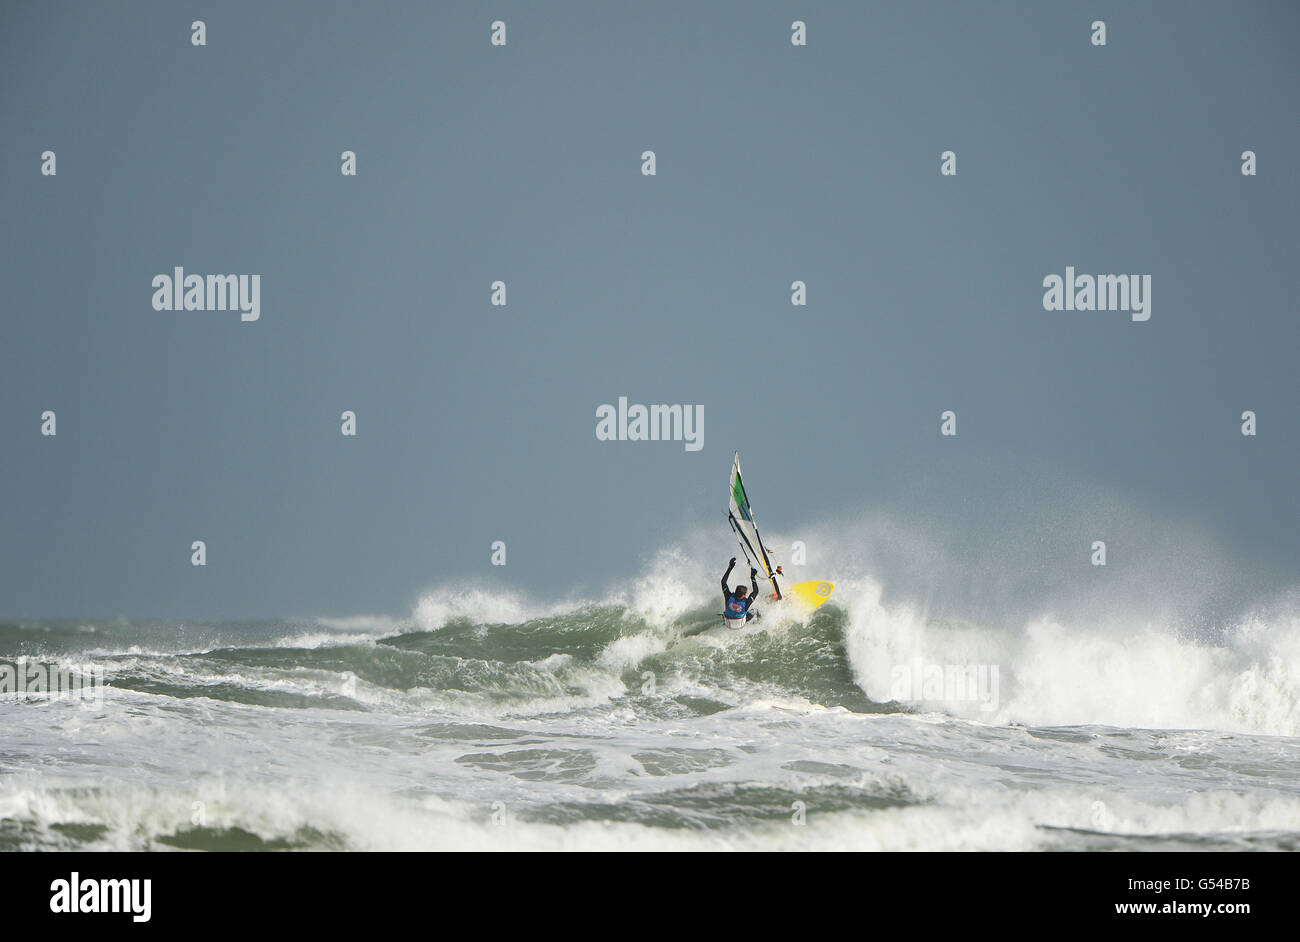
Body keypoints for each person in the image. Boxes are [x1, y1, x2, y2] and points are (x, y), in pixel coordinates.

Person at [722, 557, 760, 626]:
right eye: (746, 593)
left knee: (727, 612)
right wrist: (752, 577)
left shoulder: (728, 597)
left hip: (728, 623)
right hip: (740, 625)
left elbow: (723, 582)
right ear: (743, 595)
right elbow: (756, 591)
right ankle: (758, 624)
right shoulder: (745, 603)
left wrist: (730, 567)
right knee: (755, 611)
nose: (747, 594)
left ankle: (725, 622)